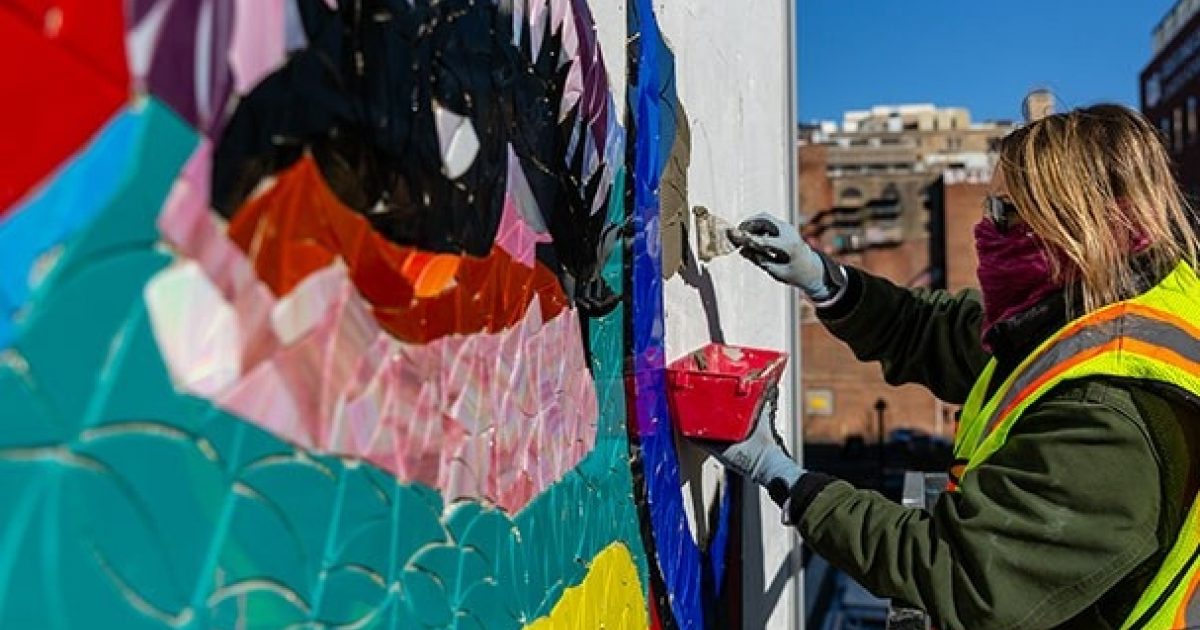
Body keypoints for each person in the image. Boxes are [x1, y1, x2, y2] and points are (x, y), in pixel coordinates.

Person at [703, 104, 1200, 630]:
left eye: (1006, 214)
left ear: (1081, 226)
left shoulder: (1109, 411)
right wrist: (825, 280)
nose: (987, 229)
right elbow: (936, 330)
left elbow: (959, 574)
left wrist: (786, 479)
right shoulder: (1098, 305)